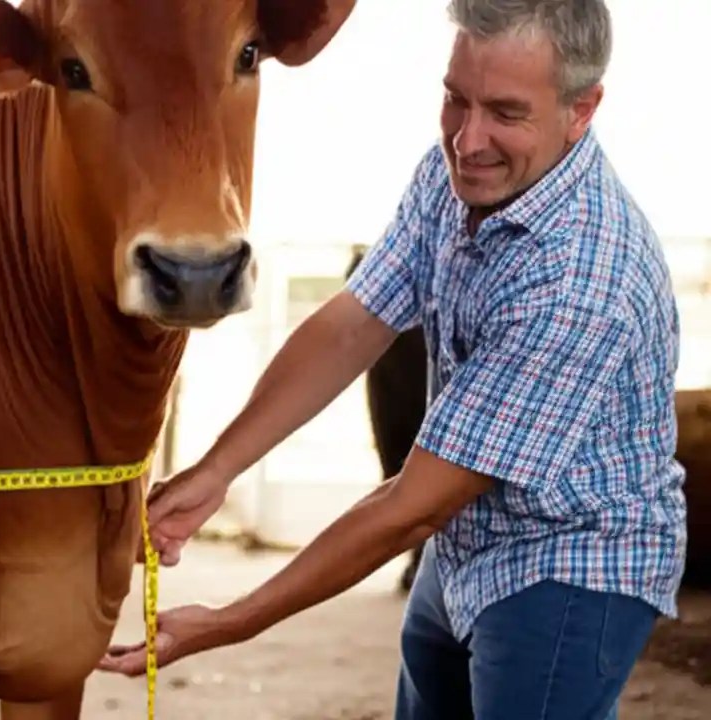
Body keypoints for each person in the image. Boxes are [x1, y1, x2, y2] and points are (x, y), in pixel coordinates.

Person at [97, 1, 688, 717]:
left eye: (506, 112)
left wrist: (234, 620)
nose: (467, 140)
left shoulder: (583, 281)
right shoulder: (457, 173)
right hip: (463, 539)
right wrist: (217, 469)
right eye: (456, 98)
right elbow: (352, 325)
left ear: (581, 109)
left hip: (570, 562)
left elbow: (409, 507)